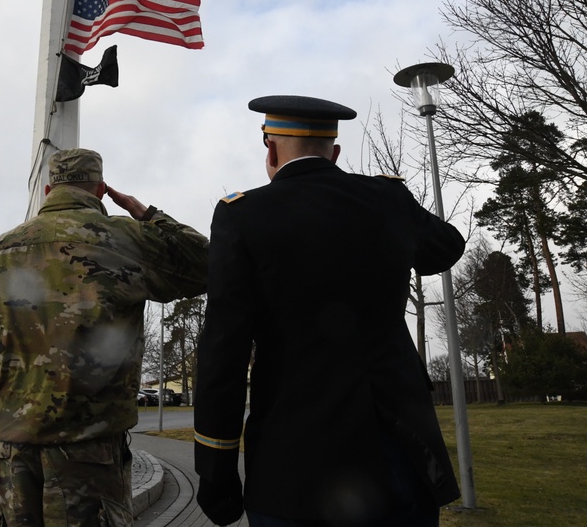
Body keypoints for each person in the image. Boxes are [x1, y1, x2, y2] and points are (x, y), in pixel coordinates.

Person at [194, 95, 466, 526]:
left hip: (295, 467)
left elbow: (223, 352)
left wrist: (216, 469)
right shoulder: (388, 198)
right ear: (334, 153)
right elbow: (445, 248)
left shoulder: (242, 216)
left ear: (271, 150)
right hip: (399, 455)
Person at [0, 148, 209, 526]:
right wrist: (149, 214)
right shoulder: (122, 239)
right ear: (101, 190)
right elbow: (207, 264)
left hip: (13, 448)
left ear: (48, 190)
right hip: (88, 450)